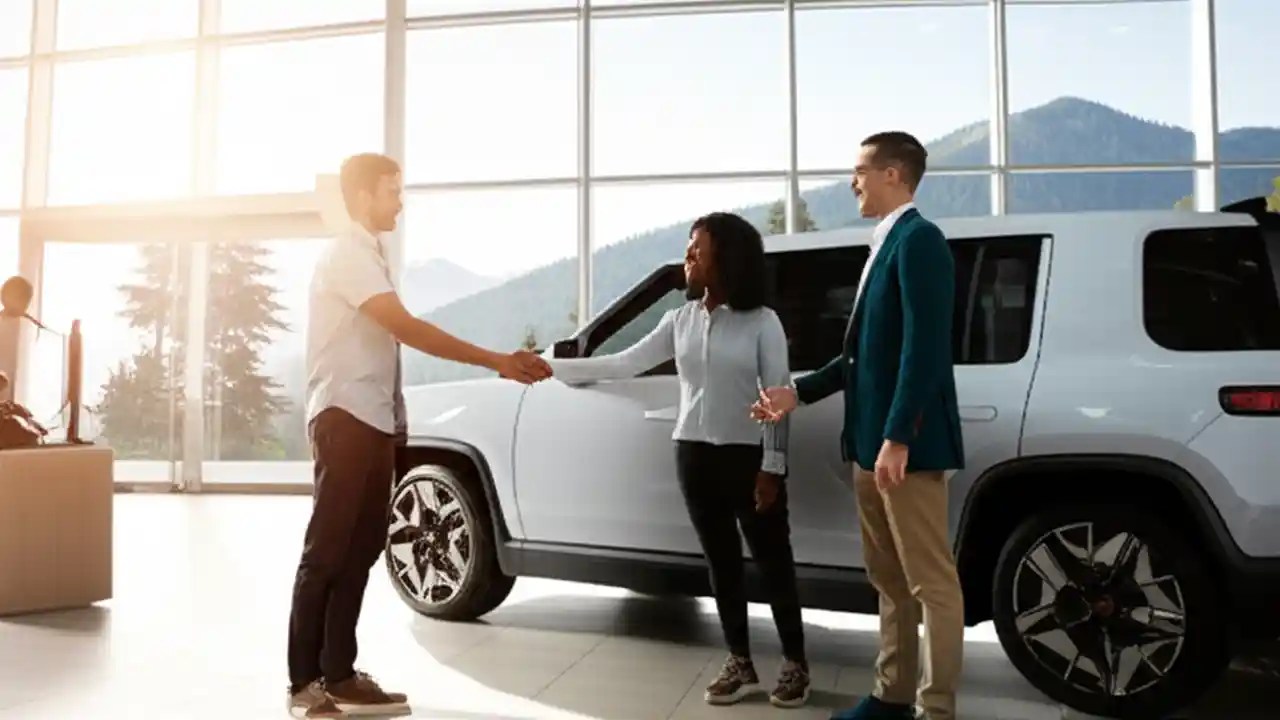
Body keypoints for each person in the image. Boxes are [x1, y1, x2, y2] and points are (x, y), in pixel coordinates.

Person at [287, 152, 552, 718]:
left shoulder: (372, 254)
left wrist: (397, 424)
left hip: (376, 421)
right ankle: (303, 683)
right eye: (392, 191)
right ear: (363, 197)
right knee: (327, 551)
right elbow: (404, 328)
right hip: (344, 417)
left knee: (361, 550)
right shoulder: (345, 254)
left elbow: (386, 352)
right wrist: (495, 361)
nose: (400, 202)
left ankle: (340, 673)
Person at [546, 212, 811, 709]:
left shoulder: (762, 322)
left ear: (724, 259)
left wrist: (773, 467)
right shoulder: (680, 320)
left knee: (773, 562)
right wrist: (549, 367)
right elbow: (623, 362)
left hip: (748, 456)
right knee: (722, 563)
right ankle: (741, 662)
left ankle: (795, 664)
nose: (687, 259)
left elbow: (778, 396)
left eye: (696, 250)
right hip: (692, 454)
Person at [754, 132, 966, 720]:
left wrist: (899, 436)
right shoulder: (885, 243)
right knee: (889, 579)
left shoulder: (920, 241)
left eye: (860, 171)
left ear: (894, 174)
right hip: (870, 447)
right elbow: (861, 357)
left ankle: (936, 709)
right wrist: (796, 393)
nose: (852, 182)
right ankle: (892, 695)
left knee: (931, 584)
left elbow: (925, 349)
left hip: (905, 449)